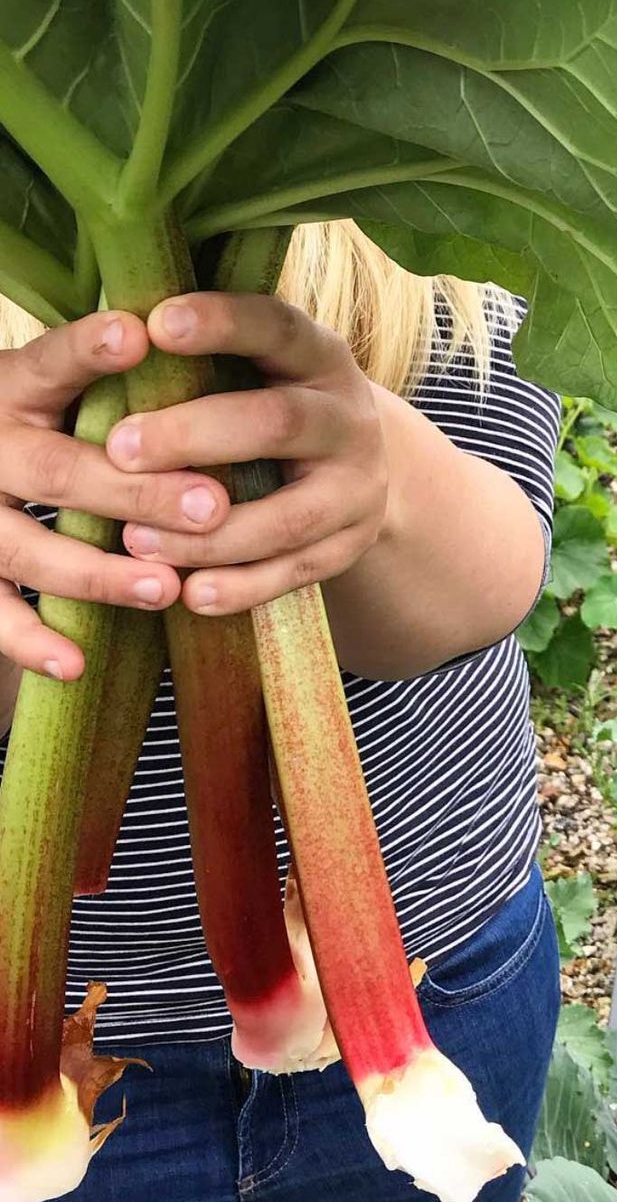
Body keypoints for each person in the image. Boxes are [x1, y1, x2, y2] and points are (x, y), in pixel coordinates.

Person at [0, 221, 562, 1201]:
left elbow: (488, 583)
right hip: (35, 1035)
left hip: (435, 965)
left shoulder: (407, 200)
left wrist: (375, 485)